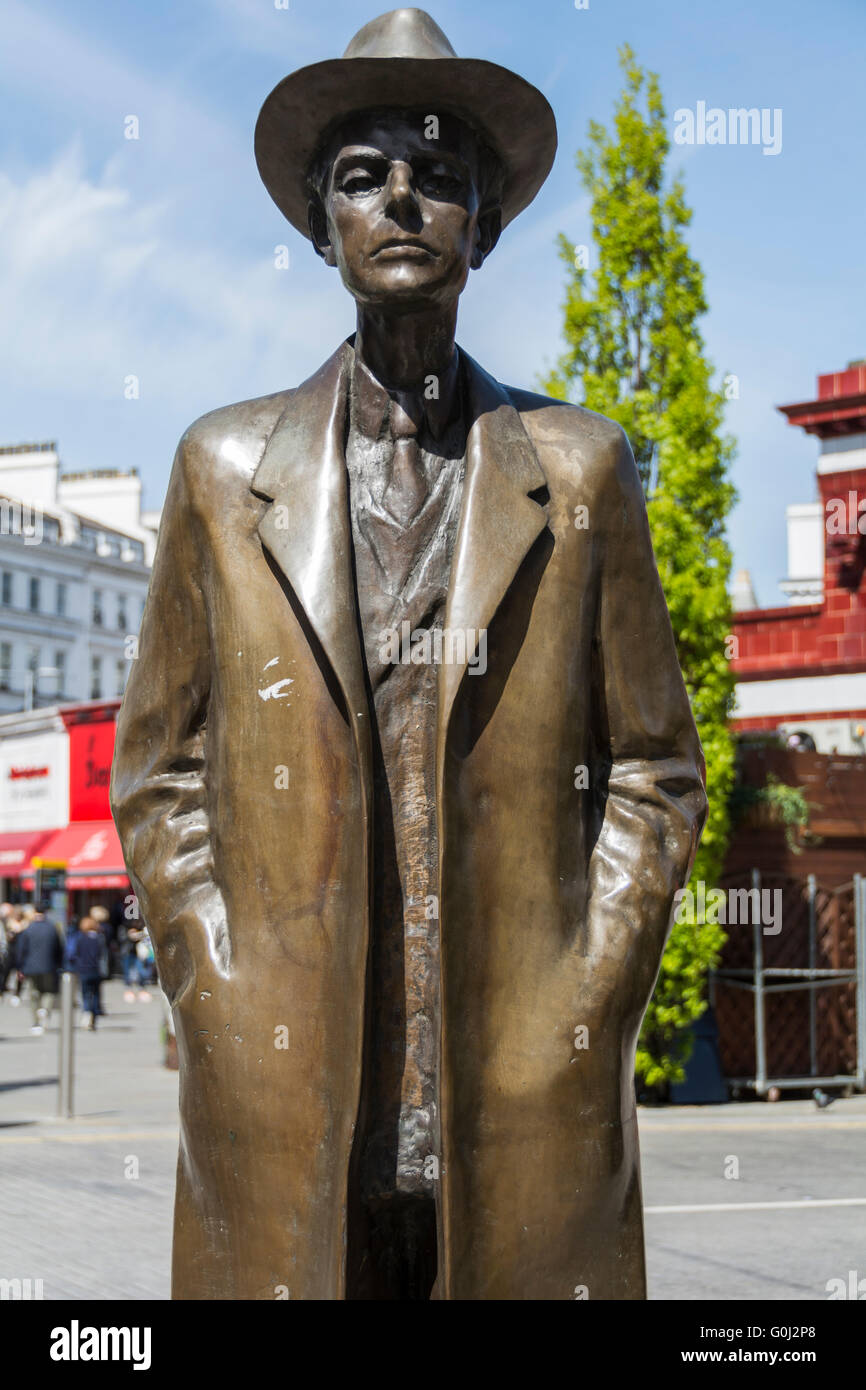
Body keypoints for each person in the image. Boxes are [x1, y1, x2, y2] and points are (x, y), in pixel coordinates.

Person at [110, 9, 707, 1300]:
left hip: (513, 1100)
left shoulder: (581, 469)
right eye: (363, 174)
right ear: (320, 223)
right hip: (291, 1098)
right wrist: (214, 988)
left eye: (437, 176)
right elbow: (158, 771)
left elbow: (656, 768)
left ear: (482, 225)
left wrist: (585, 994)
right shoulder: (221, 474)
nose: (399, 200)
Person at [16, 899, 64, 1034]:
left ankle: (36, 1021)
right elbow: (59, 949)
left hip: (30, 967)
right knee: (48, 991)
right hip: (49, 966)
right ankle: (45, 1011)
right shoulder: (53, 928)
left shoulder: (28, 929)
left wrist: (19, 968)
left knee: (34, 993)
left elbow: (21, 950)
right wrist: (59, 965)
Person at [66, 915, 108, 1030]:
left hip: (83, 970)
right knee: (95, 994)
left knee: (85, 994)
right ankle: (94, 1015)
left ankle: (87, 1013)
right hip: (96, 970)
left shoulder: (80, 939)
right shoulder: (99, 939)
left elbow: (73, 954)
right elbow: (102, 955)